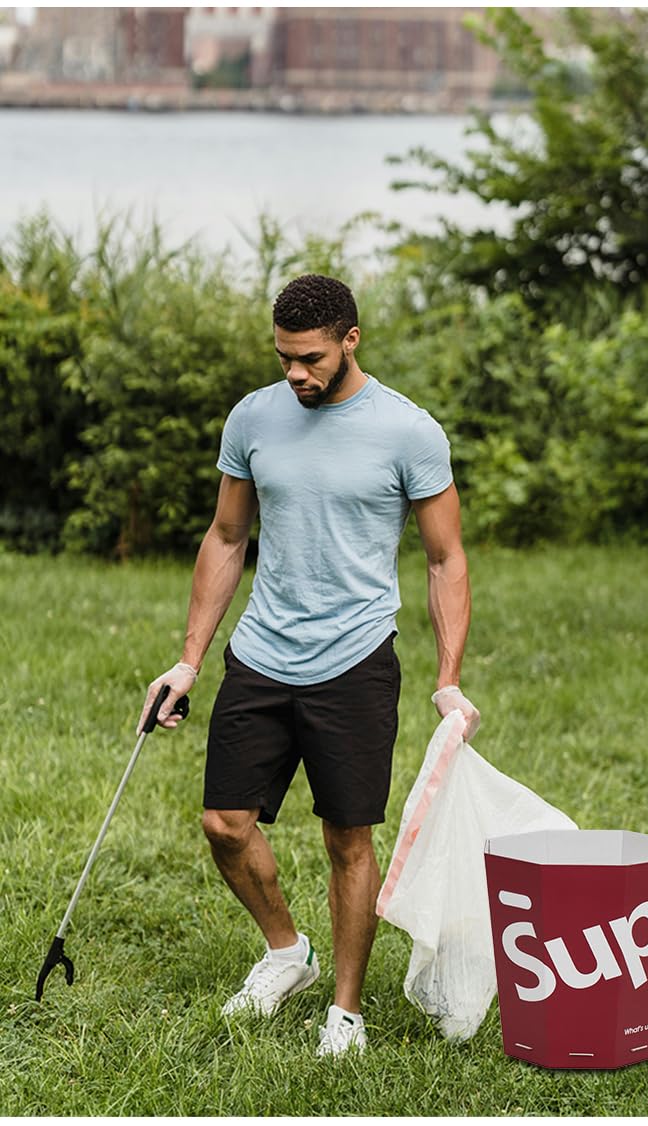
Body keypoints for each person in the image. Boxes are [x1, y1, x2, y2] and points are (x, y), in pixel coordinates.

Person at [138, 274, 480, 1056]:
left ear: (350, 340)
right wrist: (189, 662)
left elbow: (445, 556)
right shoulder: (254, 418)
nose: (296, 373)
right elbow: (226, 539)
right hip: (262, 651)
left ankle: (346, 1012)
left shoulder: (407, 431)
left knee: (346, 839)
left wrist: (448, 676)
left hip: (355, 659)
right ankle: (288, 953)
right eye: (285, 357)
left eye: (311, 359)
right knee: (224, 824)